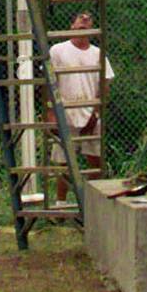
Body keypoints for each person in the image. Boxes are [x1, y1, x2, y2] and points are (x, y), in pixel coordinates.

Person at [48, 11, 114, 202]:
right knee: (63, 160)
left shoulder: (98, 54)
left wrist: (95, 113)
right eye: (80, 18)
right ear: (72, 25)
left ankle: (95, 203)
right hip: (65, 114)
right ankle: (60, 203)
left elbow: (105, 85)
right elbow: (49, 83)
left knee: (94, 159)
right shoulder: (57, 50)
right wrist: (52, 113)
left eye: (89, 19)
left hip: (90, 115)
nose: (85, 20)